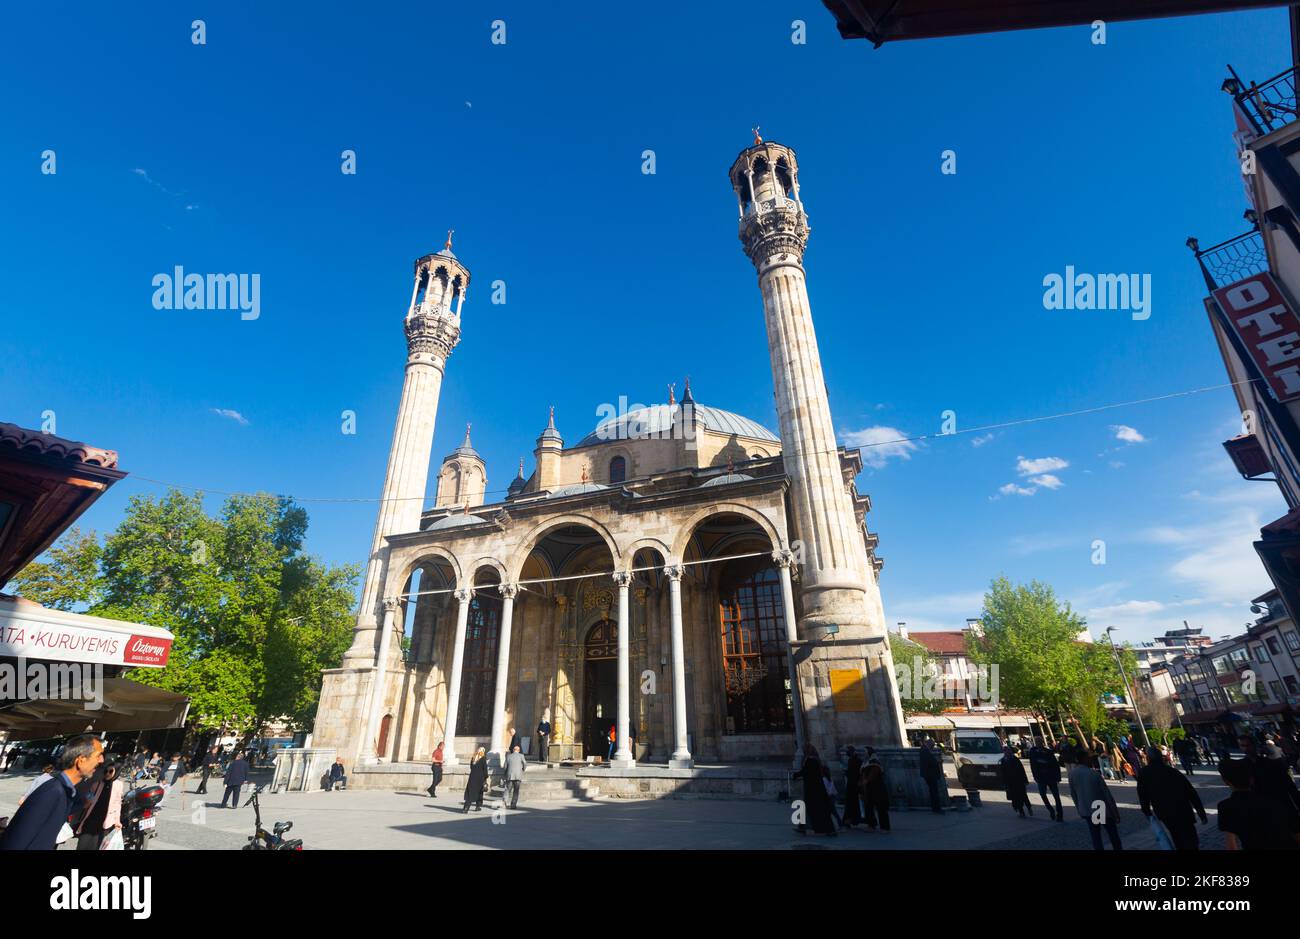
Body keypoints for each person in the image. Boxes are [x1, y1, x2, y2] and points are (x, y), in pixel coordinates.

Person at [1, 734, 104, 850]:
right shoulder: (53, 791)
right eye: (98, 755)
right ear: (80, 761)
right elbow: (17, 838)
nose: (102, 760)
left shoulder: (66, 791)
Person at [1217, 757, 1300, 850]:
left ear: (1226, 781)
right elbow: (1295, 831)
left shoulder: (1226, 807)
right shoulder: (1273, 800)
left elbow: (1231, 845)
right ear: (1251, 779)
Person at [1137, 745, 1206, 850]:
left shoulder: (1145, 773)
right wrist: (1201, 813)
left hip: (1165, 811)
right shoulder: (1172, 772)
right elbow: (1191, 792)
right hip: (1183, 809)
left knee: (1176, 836)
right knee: (1190, 838)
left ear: (1148, 758)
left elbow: (1142, 794)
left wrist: (1146, 809)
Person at [1237, 734, 1300, 825]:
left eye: (1248, 745)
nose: (1246, 748)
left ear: (1254, 745)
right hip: (1263, 808)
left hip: (1282, 803)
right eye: (1243, 746)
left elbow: (1290, 786)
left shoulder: (1272, 763)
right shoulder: (1242, 766)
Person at [1066, 752, 1122, 851]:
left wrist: (1079, 809)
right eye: (1089, 758)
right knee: (1112, 833)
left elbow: (1073, 794)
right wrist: (1115, 812)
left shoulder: (1072, 774)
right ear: (1084, 759)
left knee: (1096, 835)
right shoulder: (1093, 773)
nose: (1091, 760)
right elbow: (1106, 794)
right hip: (1099, 807)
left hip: (1086, 808)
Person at [74, 763, 122, 850]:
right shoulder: (97, 783)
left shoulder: (118, 785)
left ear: (116, 772)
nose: (107, 773)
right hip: (91, 818)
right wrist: (88, 800)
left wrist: (117, 821)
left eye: (111, 771)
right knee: (82, 844)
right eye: (106, 771)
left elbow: (117, 803)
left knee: (96, 846)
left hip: (105, 822)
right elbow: (89, 795)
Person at [792, 743, 835, 836]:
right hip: (817, 789)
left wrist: (796, 775)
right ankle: (803, 826)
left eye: (804, 749)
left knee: (814, 809)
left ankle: (823, 828)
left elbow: (805, 771)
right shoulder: (815, 760)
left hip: (812, 789)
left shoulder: (810, 760)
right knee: (813, 808)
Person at [1028, 739, 1064, 821]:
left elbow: (1055, 765)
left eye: (1039, 742)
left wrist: (1058, 777)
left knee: (1056, 796)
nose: (1038, 744)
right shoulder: (1033, 752)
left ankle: (1060, 814)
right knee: (1043, 795)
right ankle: (1051, 810)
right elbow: (1032, 765)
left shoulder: (1048, 752)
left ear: (1042, 743)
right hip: (1040, 777)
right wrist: (1035, 776)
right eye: (1037, 743)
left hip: (1050, 776)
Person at [860, 749, 890, 832]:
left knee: (881, 807)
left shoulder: (874, 762)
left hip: (877, 788)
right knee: (868, 807)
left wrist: (866, 780)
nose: (864, 754)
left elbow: (874, 773)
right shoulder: (866, 762)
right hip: (869, 789)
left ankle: (885, 827)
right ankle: (871, 825)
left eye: (865, 752)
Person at [1000, 745, 1032, 818]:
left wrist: (1025, 780)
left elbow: (1021, 770)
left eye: (1007, 751)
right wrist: (1004, 783)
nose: (1006, 752)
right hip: (1010, 782)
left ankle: (1029, 807)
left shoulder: (1015, 759)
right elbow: (1003, 772)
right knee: (1015, 797)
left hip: (1018, 780)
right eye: (1005, 751)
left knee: (1023, 795)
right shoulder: (1003, 760)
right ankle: (1021, 811)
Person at [918, 738, 944, 814]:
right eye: (932, 745)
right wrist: (937, 762)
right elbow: (929, 761)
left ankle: (936, 808)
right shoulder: (924, 750)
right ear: (929, 744)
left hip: (929, 774)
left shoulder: (924, 749)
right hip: (930, 774)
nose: (932, 747)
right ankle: (936, 809)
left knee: (933, 791)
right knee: (934, 792)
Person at [841, 746, 863, 830]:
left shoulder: (853, 761)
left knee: (850, 803)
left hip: (852, 785)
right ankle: (852, 820)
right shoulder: (855, 760)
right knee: (853, 803)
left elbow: (853, 773)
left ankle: (848, 821)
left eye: (847, 751)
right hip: (853, 784)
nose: (846, 752)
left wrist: (846, 772)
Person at [463, 747, 489, 813]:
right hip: (480, 779)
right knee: (480, 792)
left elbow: (471, 767)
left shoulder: (473, 758)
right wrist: (486, 777)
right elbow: (485, 770)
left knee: (470, 793)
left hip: (472, 778)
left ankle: (466, 808)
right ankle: (478, 806)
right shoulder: (483, 759)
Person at [504, 744, 526, 809]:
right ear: (518, 750)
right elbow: (524, 763)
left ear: (513, 750)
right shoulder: (521, 756)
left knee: (507, 790)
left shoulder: (509, 756)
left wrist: (505, 773)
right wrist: (523, 769)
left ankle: (504, 802)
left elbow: (505, 766)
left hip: (510, 775)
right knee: (516, 791)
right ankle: (513, 805)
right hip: (518, 776)